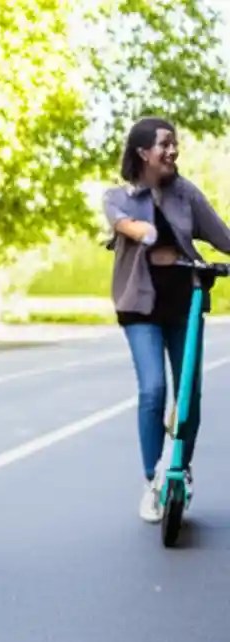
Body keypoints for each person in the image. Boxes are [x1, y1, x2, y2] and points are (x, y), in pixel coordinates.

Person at [102, 117, 230, 523]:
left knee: (189, 392)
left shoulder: (185, 193)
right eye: (165, 144)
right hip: (139, 303)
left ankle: (179, 469)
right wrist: (141, 231)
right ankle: (151, 478)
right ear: (143, 152)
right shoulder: (117, 196)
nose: (173, 151)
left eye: (175, 144)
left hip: (185, 300)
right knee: (154, 389)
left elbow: (222, 236)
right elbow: (125, 225)